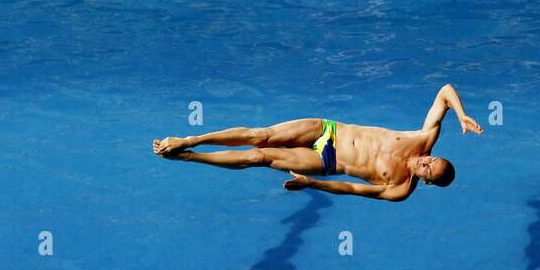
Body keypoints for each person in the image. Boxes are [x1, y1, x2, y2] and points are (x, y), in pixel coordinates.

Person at [152, 84, 482, 201]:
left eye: (427, 171)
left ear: (426, 182)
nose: (424, 163)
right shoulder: (423, 139)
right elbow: (444, 93)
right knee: (261, 135)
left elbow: (353, 190)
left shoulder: (399, 188)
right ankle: (191, 138)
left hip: (327, 163)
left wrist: (312, 184)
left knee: (258, 157)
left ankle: (190, 157)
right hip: (329, 132)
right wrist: (462, 115)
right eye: (431, 161)